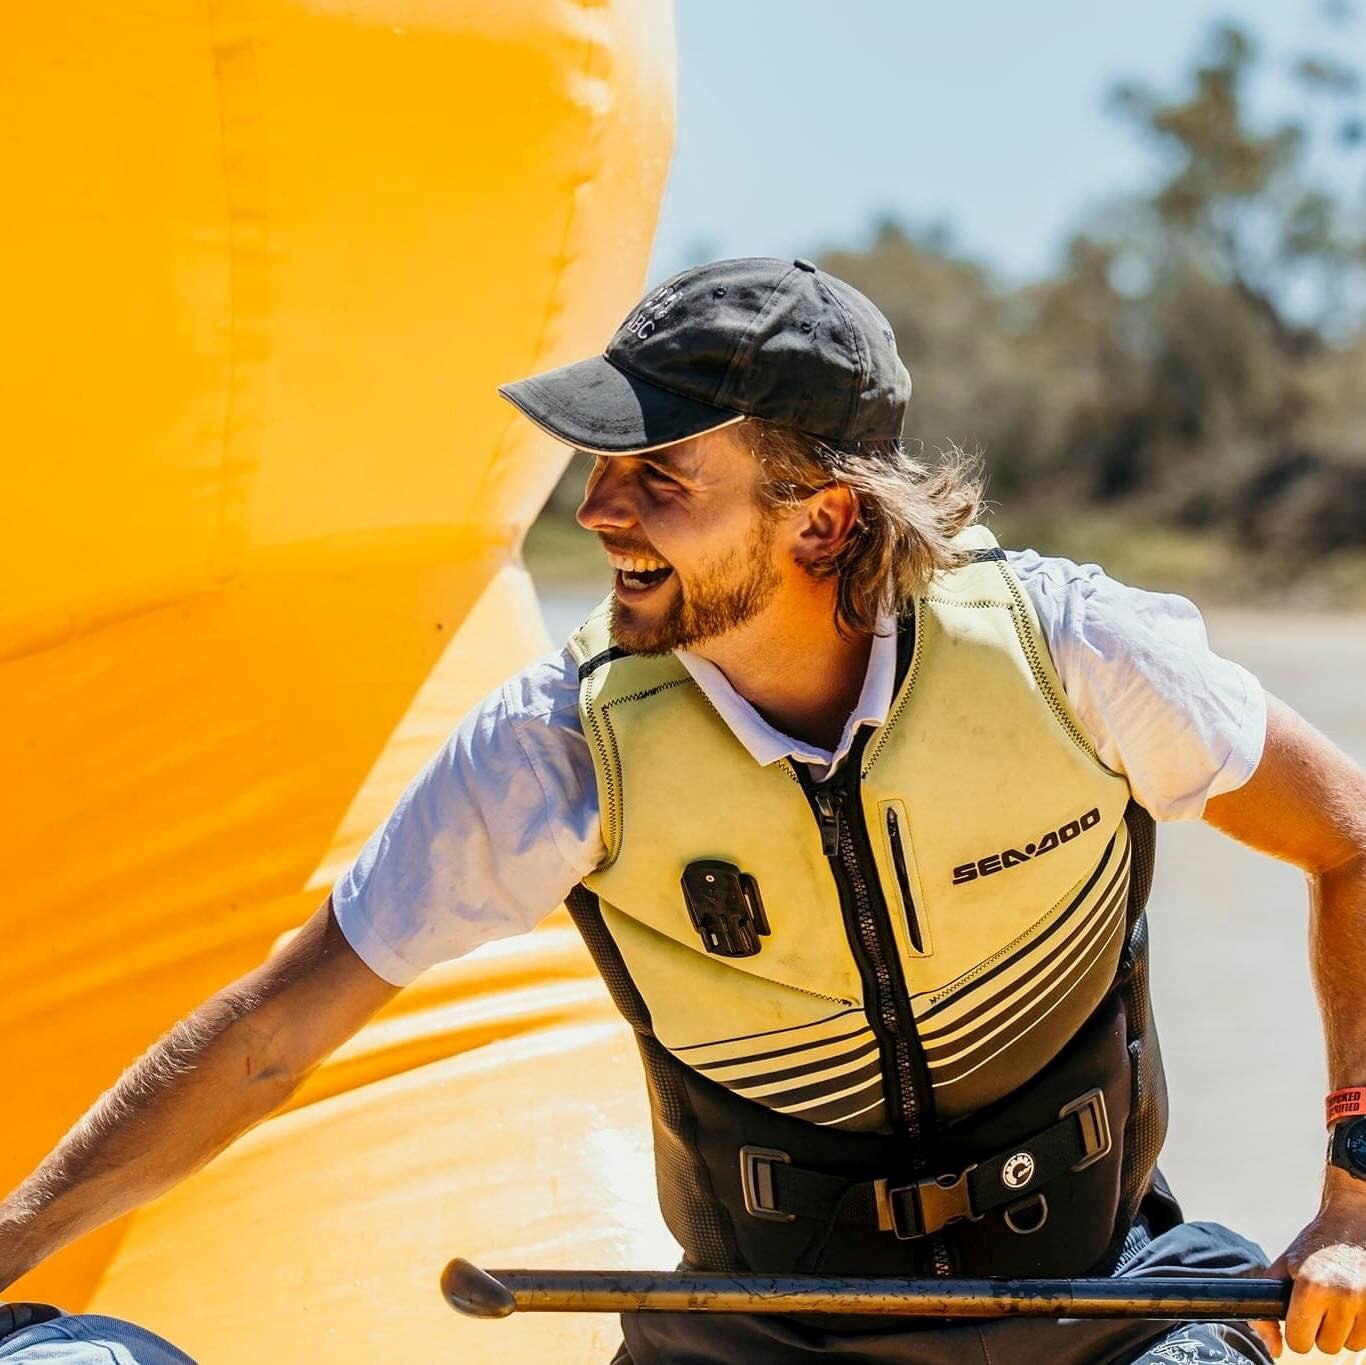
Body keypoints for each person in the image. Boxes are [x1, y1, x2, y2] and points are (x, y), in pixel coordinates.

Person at [2, 258, 1364, 1364]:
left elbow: (1347, 844)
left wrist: (1351, 1200)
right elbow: (270, 1035)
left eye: (657, 474)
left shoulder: (1078, 654)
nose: (598, 510)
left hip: (1103, 1315)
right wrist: (8, 1246)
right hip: (752, 1343)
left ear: (822, 520)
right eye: (602, 466)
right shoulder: (556, 748)